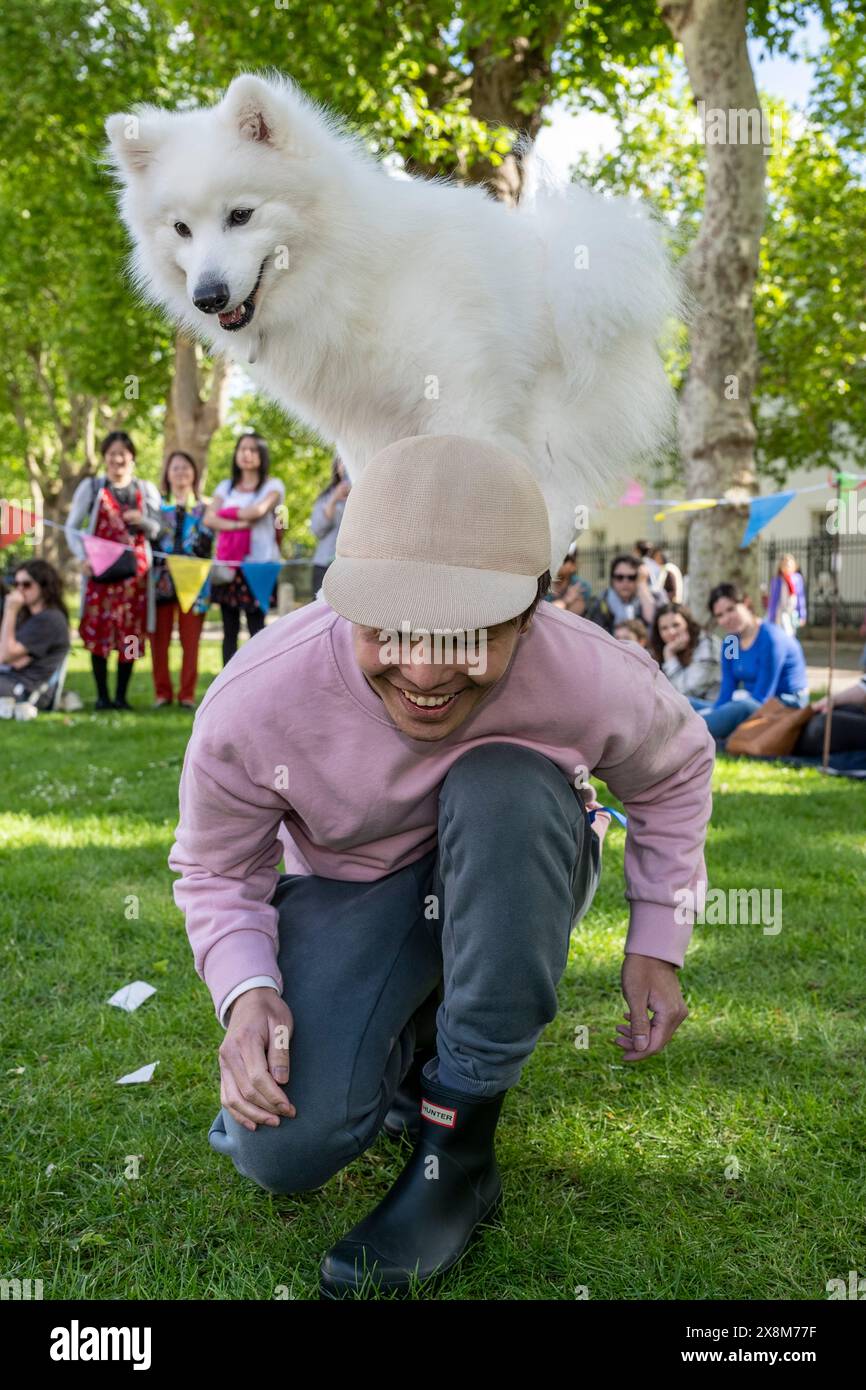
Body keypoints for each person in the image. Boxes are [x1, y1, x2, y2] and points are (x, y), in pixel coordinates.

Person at [169, 434, 714, 1299]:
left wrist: (659, 934)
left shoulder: (589, 671)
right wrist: (246, 990)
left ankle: (457, 1143)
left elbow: (677, 770)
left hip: (509, 868)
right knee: (284, 1152)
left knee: (503, 784)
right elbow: (214, 871)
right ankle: (398, 1052)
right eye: (390, 630)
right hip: (350, 894)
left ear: (531, 613)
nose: (423, 672)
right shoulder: (256, 697)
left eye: (465, 635)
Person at [65, 431, 161, 710]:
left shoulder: (145, 489)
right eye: (112, 453)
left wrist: (141, 520)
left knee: (129, 634)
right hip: (100, 571)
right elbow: (73, 526)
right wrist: (82, 557)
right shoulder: (92, 487)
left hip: (135, 576)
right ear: (105, 457)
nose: (117, 458)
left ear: (132, 457)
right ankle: (102, 696)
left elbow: (159, 528)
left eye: (123, 453)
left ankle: (121, 696)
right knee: (100, 630)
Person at [204, 433, 285, 666]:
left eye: (253, 449)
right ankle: (227, 682)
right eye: (242, 449)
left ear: (261, 455)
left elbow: (258, 511)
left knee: (257, 628)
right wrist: (238, 524)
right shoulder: (225, 487)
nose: (247, 454)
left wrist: (225, 515)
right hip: (229, 566)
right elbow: (209, 518)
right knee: (229, 629)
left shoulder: (273, 485)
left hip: (259, 566)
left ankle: (258, 677)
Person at [697, 582, 809, 741]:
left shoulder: (770, 638)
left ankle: (687, 731)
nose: (726, 619)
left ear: (747, 603)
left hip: (783, 706)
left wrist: (719, 714)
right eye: (720, 615)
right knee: (688, 702)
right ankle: (689, 725)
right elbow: (726, 692)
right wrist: (717, 711)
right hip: (750, 701)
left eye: (731, 609)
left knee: (741, 707)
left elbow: (762, 697)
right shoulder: (731, 642)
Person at [150, 451, 213, 710]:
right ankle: (162, 693)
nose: (180, 473)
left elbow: (207, 544)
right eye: (175, 468)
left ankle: (187, 694)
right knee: (159, 640)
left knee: (190, 640)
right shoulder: (155, 508)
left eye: (186, 468)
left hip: (194, 583)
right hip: (161, 581)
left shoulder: (205, 508)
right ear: (167, 474)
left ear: (194, 475)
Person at [0, 560, 70, 708]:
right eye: (16, 584)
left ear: (44, 586)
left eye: (26, 584)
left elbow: (6, 655)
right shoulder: (32, 617)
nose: (20, 590)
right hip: (12, 680)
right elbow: (15, 660)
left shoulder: (49, 619)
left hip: (27, 691)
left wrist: (10, 610)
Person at [649, 603, 721, 707]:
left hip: (711, 707)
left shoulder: (708, 645)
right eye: (664, 628)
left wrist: (669, 655)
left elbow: (686, 691)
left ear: (688, 624)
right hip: (686, 712)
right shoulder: (659, 650)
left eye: (676, 625)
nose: (671, 632)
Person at [586, 553, 660, 634]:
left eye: (631, 577)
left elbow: (652, 621)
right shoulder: (601, 602)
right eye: (619, 577)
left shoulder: (651, 597)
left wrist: (642, 584)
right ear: (612, 579)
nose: (625, 582)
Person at [310, 456, 350, 594]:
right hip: (324, 565)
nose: (345, 466)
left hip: (353, 566)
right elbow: (317, 529)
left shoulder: (368, 494)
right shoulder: (325, 497)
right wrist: (333, 500)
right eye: (341, 461)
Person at [767, 554, 806, 636]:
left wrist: (802, 615)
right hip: (781, 612)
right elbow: (773, 600)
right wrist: (771, 616)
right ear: (781, 567)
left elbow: (800, 598)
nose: (787, 567)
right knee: (783, 632)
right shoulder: (777, 580)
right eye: (785, 564)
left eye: (789, 564)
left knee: (793, 632)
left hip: (793, 612)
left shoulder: (797, 579)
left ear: (795, 566)